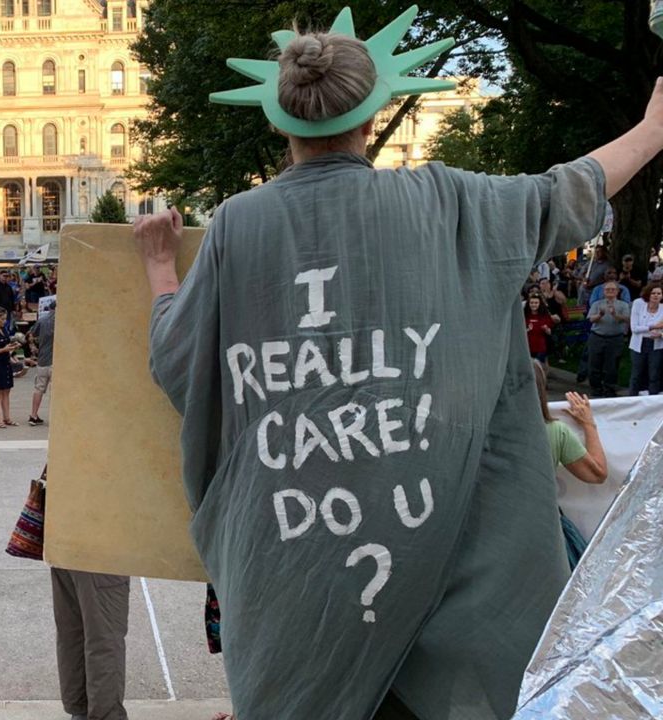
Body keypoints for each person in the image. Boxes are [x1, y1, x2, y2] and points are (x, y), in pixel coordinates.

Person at [136, 10, 661, 719]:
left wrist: (159, 268)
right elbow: (567, 191)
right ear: (374, 109)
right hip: (452, 594)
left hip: (299, 594)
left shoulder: (239, 223)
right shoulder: (447, 200)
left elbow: (176, 360)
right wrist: (654, 127)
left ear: (279, 115)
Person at [532, 362, 606, 570]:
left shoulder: (480, 432)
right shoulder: (556, 431)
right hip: (544, 531)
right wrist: (588, 424)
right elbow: (597, 474)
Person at [51, 563, 129, 720]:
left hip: (62, 548)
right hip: (101, 553)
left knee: (73, 632)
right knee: (105, 639)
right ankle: (106, 715)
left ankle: (80, 710)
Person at [585, 281, 630, 397]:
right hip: (597, 336)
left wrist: (615, 314)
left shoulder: (623, 305)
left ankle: (609, 388)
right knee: (594, 363)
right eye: (607, 289)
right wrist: (599, 315)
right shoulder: (597, 304)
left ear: (617, 291)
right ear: (604, 291)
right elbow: (591, 319)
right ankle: (596, 388)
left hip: (615, 338)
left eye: (613, 289)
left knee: (612, 365)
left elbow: (626, 319)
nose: (610, 291)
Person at [628, 283, 663, 395]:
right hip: (639, 343)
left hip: (656, 344)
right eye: (653, 293)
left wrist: (661, 335)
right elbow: (634, 328)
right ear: (648, 294)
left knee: (654, 374)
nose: (656, 296)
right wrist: (654, 326)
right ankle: (631, 399)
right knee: (636, 374)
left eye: (659, 293)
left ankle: (652, 401)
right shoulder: (638, 304)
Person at [28, 300, 55, 426]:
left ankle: (33, 415)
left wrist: (33, 347)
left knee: (38, 388)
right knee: (54, 390)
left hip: (43, 359)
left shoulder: (42, 320)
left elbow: (30, 335)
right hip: (57, 361)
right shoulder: (62, 321)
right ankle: (54, 417)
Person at [524, 294, 557, 365]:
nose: (533, 305)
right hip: (527, 348)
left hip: (540, 347)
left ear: (540, 304)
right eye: (531, 303)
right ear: (528, 304)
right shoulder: (525, 316)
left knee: (538, 367)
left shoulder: (544, 316)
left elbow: (550, 332)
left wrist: (546, 329)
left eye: (536, 303)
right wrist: (527, 330)